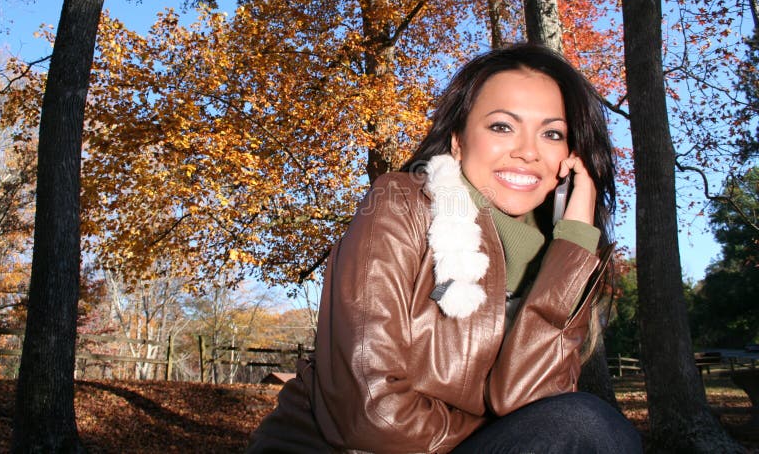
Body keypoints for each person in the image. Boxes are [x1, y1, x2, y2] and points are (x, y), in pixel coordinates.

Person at [247, 44, 642, 453]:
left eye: (552, 133)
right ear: (457, 141)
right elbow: (370, 414)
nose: (528, 151)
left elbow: (531, 405)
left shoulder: (563, 257)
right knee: (587, 425)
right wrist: (489, 430)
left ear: (570, 155)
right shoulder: (398, 204)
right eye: (502, 127)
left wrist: (574, 242)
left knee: (591, 425)